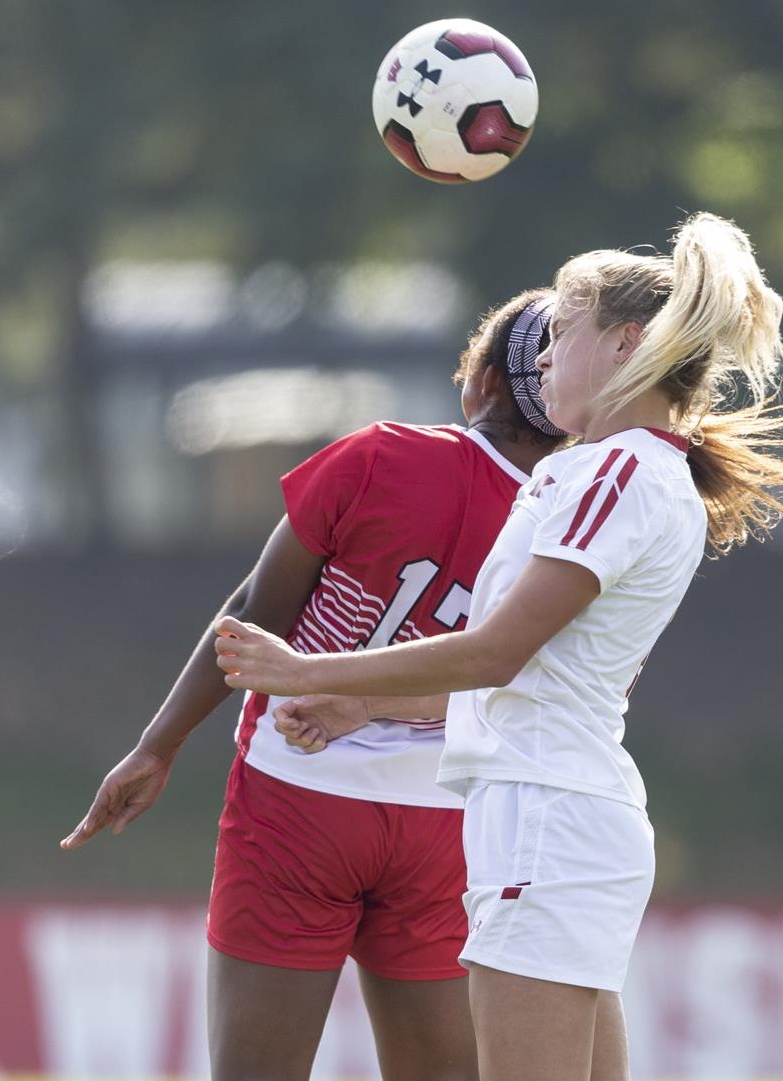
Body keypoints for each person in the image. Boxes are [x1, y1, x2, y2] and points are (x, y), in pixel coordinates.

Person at [214, 212, 783, 1081]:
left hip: (542, 819)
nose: (539, 357)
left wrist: (306, 669)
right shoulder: (624, 469)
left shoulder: (615, 471)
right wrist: (365, 702)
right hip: (566, 818)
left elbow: (494, 651)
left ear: (624, 344)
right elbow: (532, 670)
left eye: (560, 332)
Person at [60, 288, 566, 1081]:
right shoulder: (573, 523)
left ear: (478, 386)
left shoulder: (378, 455)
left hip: (299, 798)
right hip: (449, 817)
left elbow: (256, 611)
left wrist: (157, 745)